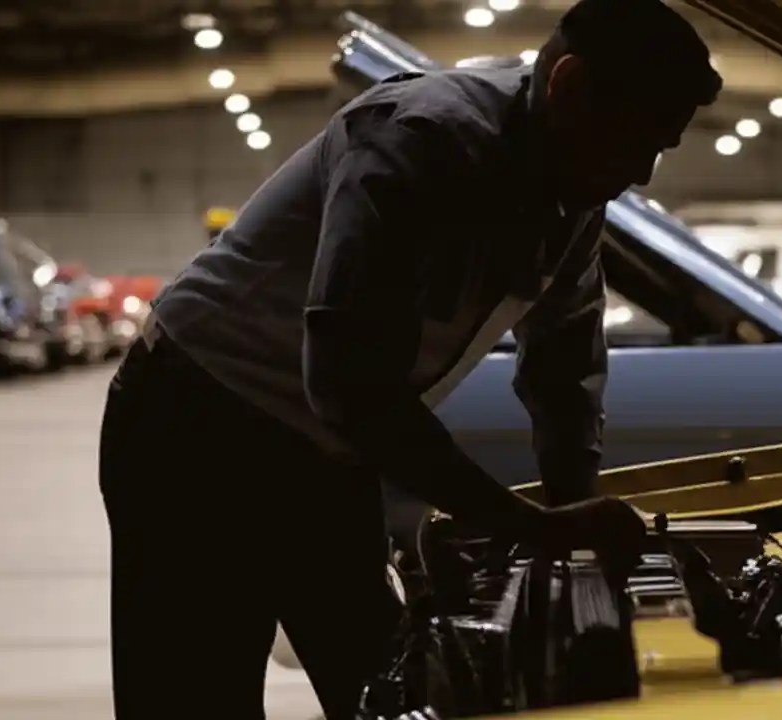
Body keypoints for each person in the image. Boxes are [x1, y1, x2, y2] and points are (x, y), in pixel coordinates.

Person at [96, 0, 722, 717]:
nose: (641, 172)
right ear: (571, 87)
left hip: (317, 446)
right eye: (640, 139)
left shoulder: (572, 186)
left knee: (384, 682)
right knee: (194, 696)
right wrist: (524, 524)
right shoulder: (420, 141)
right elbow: (349, 383)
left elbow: (563, 365)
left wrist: (571, 506)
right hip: (197, 425)